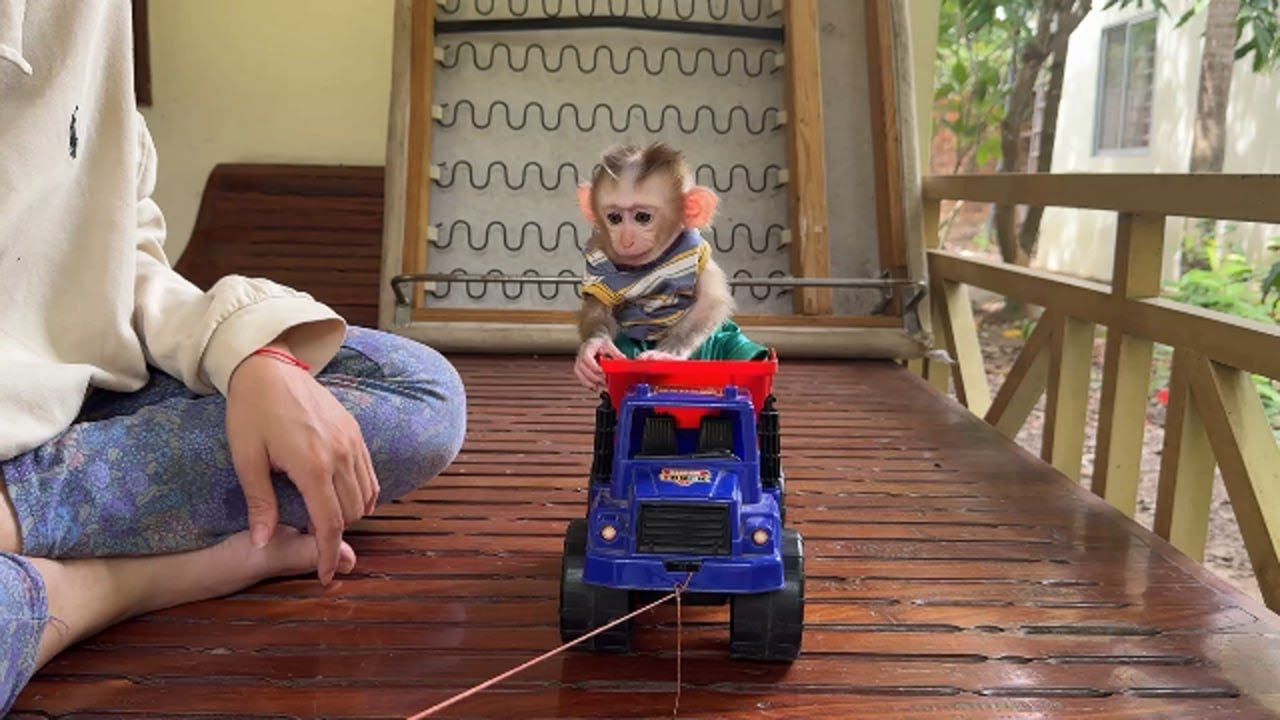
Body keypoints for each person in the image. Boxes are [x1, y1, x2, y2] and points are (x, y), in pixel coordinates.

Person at [0, 2, 467, 713]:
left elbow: (109, 249)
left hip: (56, 410)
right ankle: (105, 585)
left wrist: (246, 354)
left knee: (413, 395)